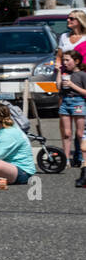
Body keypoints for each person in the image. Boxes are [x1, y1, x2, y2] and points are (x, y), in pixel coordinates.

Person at [56, 48, 86, 185]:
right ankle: (66, 159)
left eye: (67, 60)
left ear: (77, 61)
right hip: (65, 102)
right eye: (64, 60)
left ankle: (83, 160)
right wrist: (58, 73)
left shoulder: (82, 75)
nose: (65, 62)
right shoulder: (64, 73)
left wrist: (72, 85)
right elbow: (58, 87)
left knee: (80, 133)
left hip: (78, 102)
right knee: (67, 133)